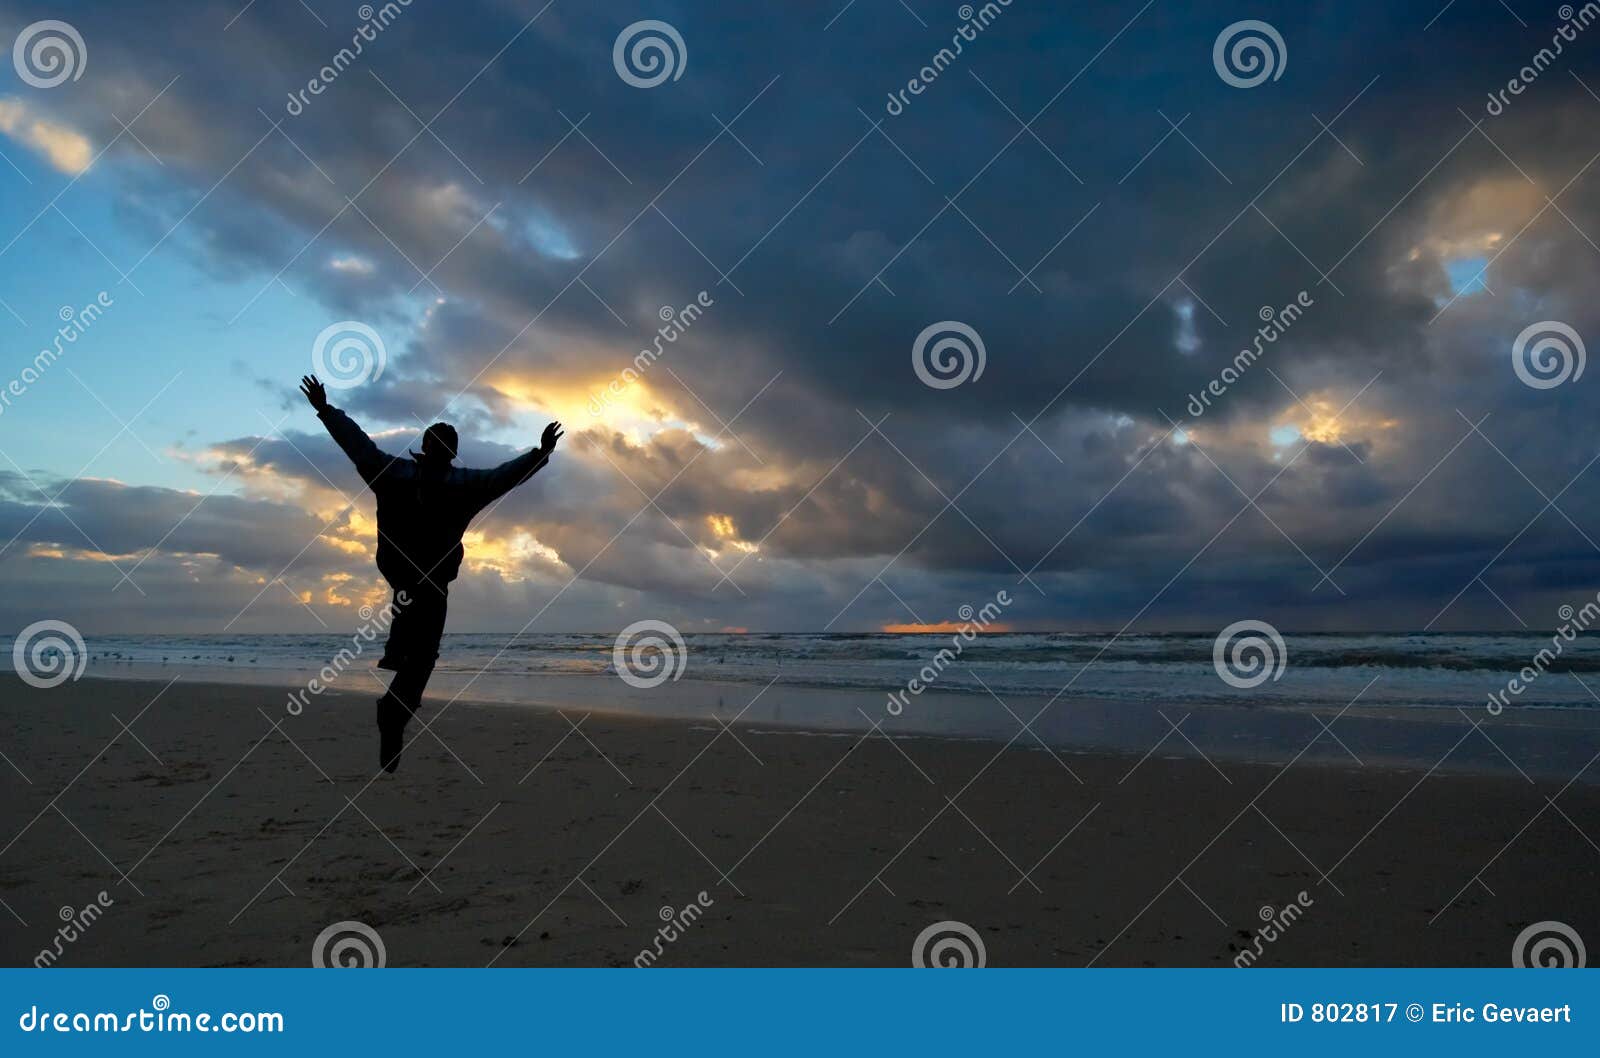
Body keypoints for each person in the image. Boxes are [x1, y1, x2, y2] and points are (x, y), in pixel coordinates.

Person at [299, 374, 562, 772]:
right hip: (423, 579)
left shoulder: (401, 475)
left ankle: (394, 706)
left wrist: (325, 410)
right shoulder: (454, 483)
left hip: (406, 577)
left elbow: (359, 446)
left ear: (428, 449)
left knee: (415, 653)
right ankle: (394, 709)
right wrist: (539, 453)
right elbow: (503, 477)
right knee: (420, 656)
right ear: (449, 452)